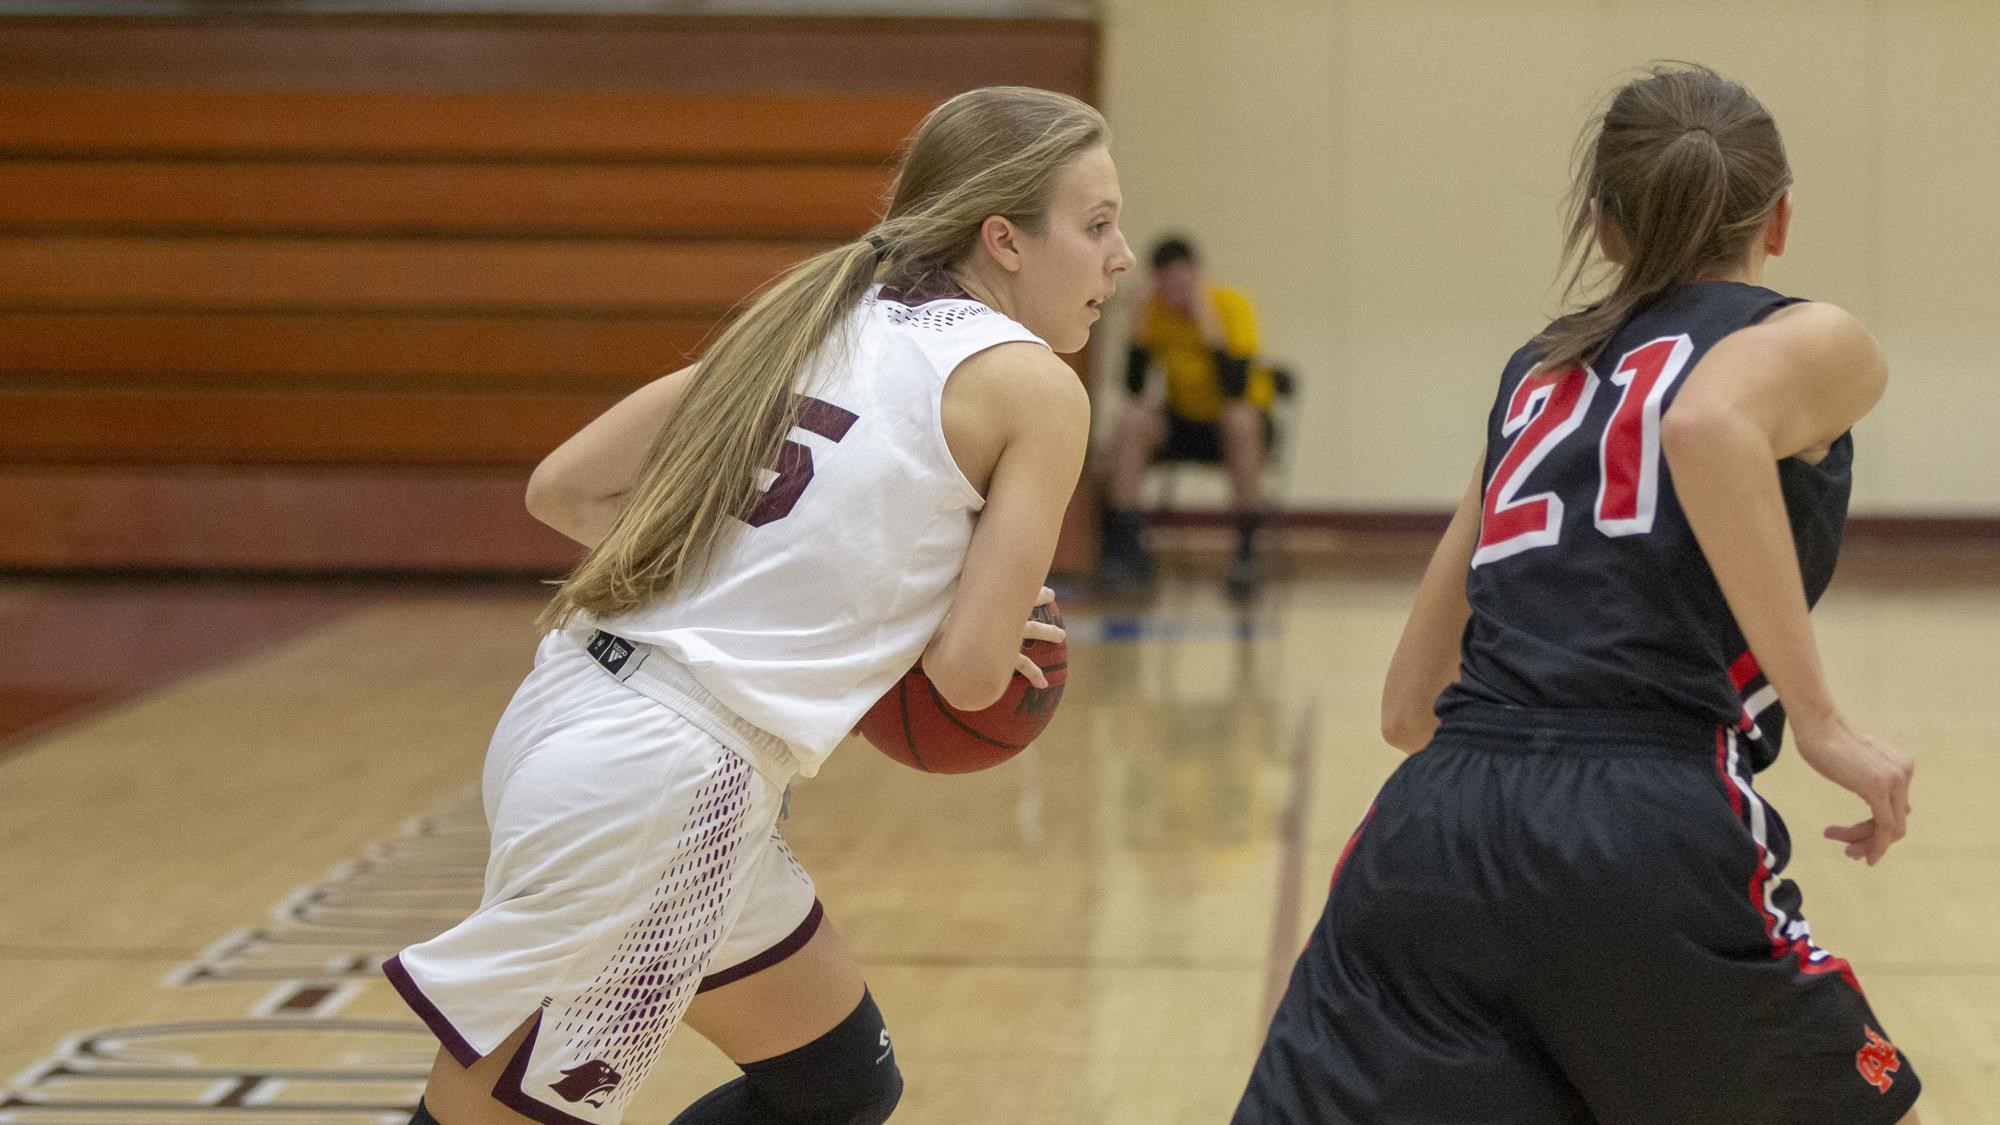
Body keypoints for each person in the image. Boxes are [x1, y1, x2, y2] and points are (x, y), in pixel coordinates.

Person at [380, 86, 1133, 1125]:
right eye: (1095, 226)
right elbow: (967, 675)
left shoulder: (812, 318)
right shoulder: (1034, 389)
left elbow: (562, 488)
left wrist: (768, 579)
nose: (1119, 256)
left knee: (834, 1086)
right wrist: (907, 612)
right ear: (1002, 239)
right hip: (664, 781)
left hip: (575, 712)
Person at [1234, 65, 1920, 1124]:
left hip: (1431, 825)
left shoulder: (1536, 372)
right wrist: (1819, 721)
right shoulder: (1809, 338)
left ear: (1600, 225)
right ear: (1777, 218)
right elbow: (1703, 425)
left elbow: (1406, 707)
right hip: (1643, 810)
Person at [1100, 236, 1275, 599]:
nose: (1177, 293)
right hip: (1183, 422)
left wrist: (1207, 323)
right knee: (1133, 419)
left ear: (1198, 276)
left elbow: (1236, 386)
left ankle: (1246, 554)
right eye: (1169, 284)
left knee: (1239, 418)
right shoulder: (1154, 312)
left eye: (1184, 283)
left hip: (1233, 425)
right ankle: (1126, 552)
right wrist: (1139, 324)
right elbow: (1135, 387)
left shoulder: (1230, 305)